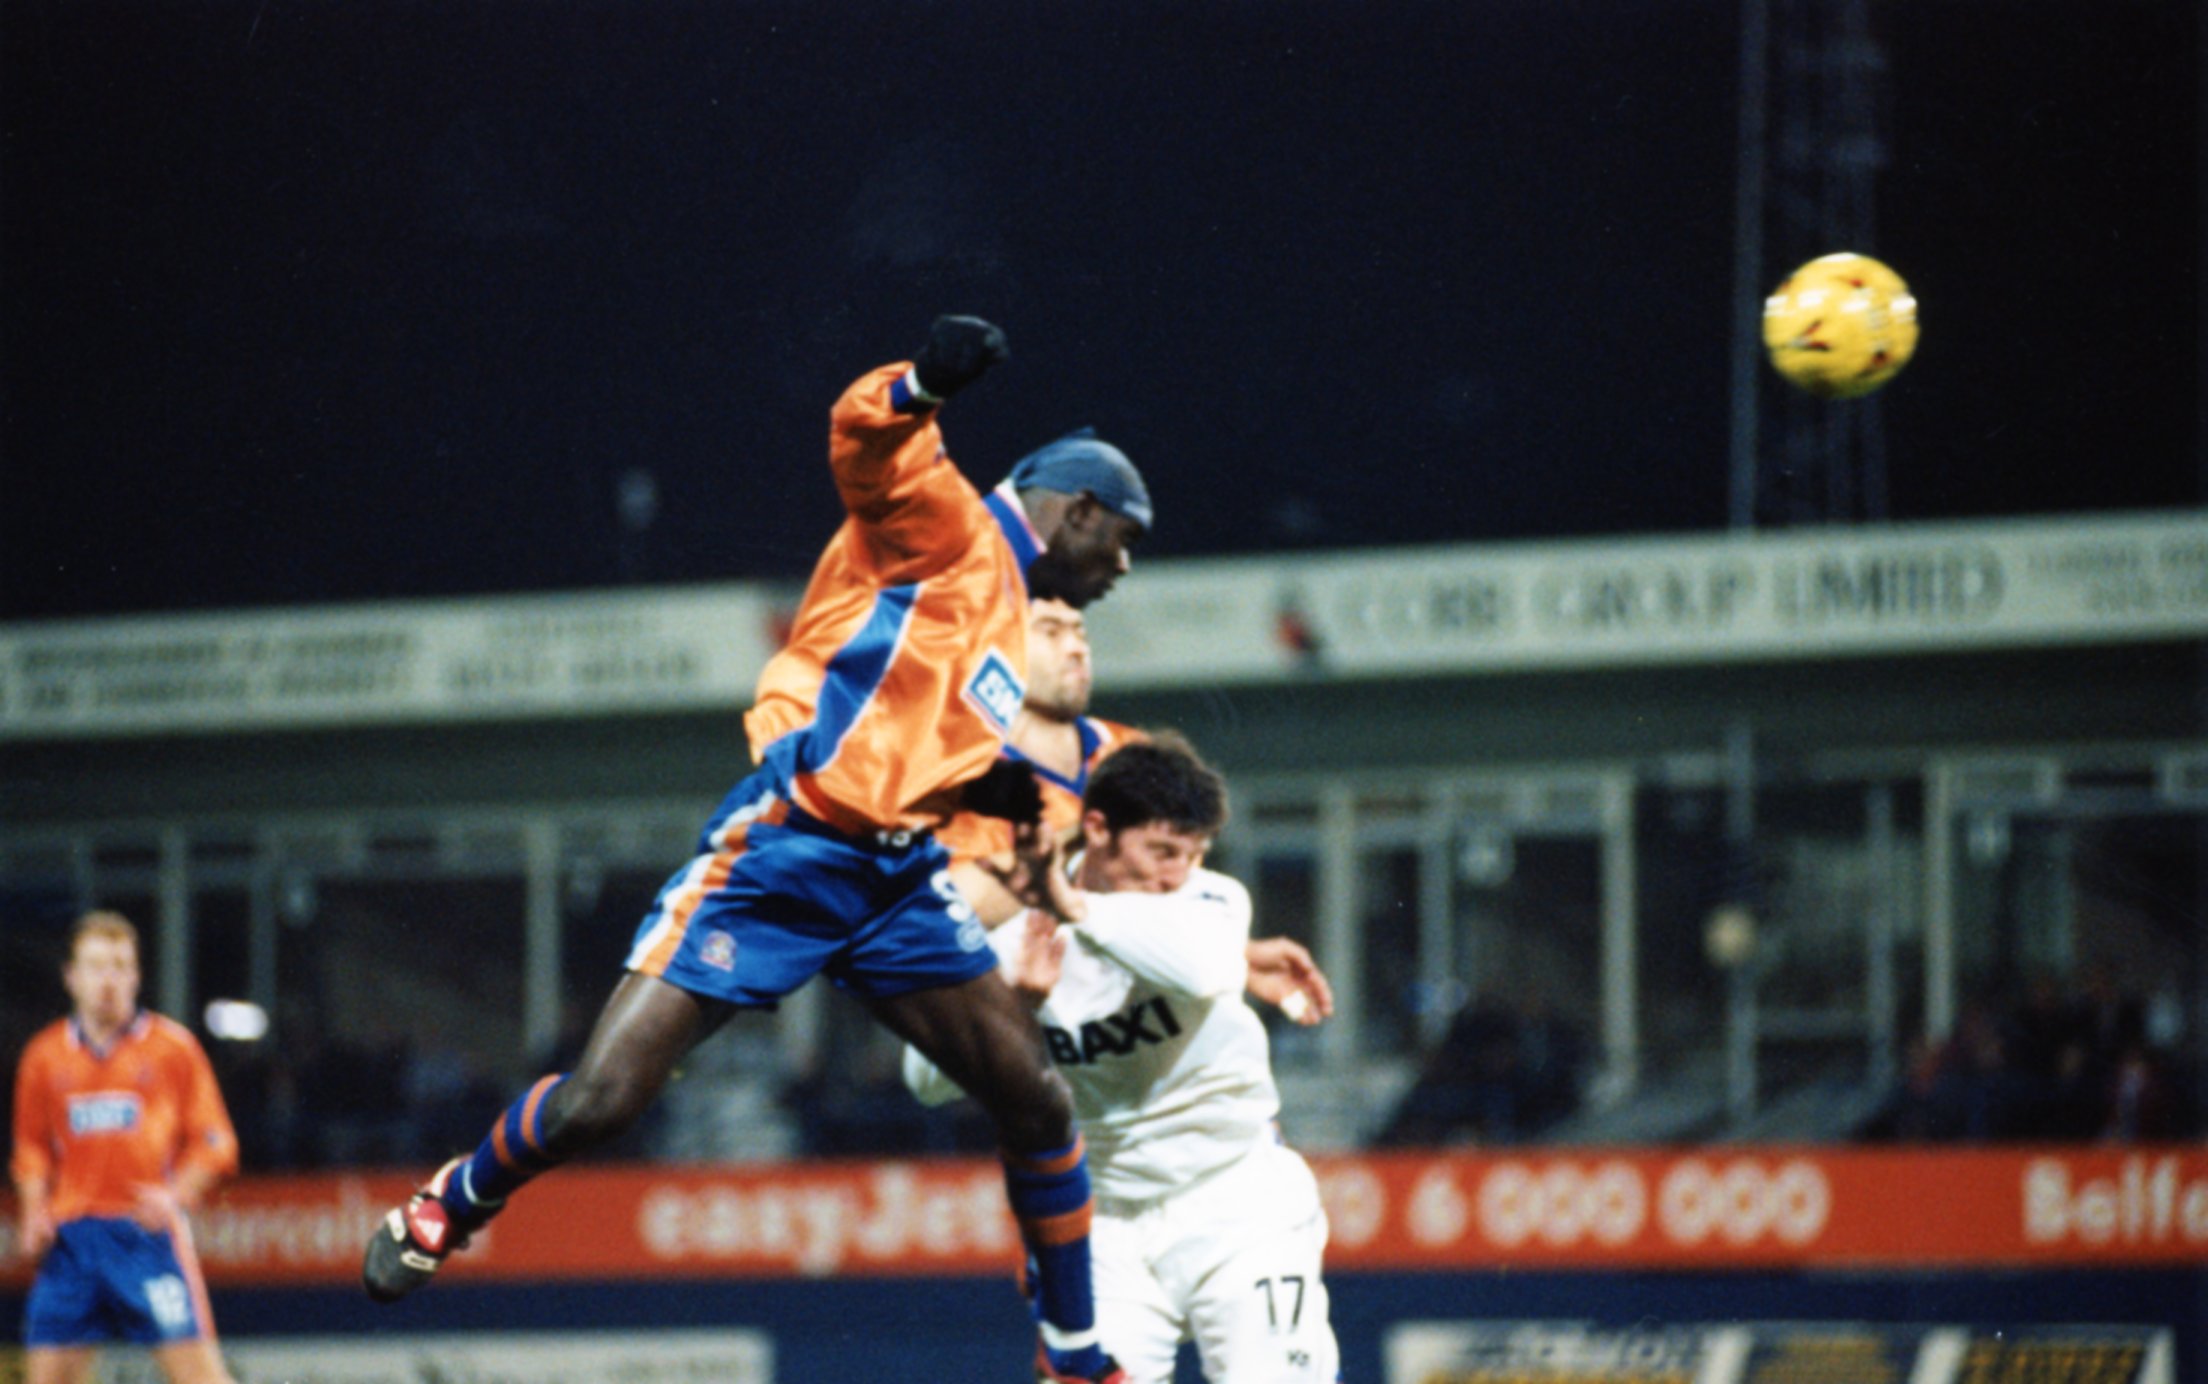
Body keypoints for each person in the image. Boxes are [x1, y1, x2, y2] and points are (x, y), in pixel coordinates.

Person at [362, 315, 1150, 1384]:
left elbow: (903, 725)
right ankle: (456, 1198)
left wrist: (983, 784)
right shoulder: (955, 523)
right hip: (787, 854)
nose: (1123, 567)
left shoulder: (1010, 606)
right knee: (602, 1101)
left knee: (1037, 1101)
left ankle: (1074, 1359)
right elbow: (864, 447)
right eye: (1124, 540)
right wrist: (920, 383)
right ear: (1081, 511)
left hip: (895, 877)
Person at [906, 739, 1342, 1384]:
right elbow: (924, 1080)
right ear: (1097, 828)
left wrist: (1073, 906)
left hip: (1238, 1202)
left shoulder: (1210, 901)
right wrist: (1013, 1012)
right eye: (1161, 851)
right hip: (1105, 1231)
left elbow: (1205, 970)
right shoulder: (1013, 942)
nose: (1176, 874)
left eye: (1194, 854)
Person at [11, 911, 240, 1384]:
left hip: (143, 1236)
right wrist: (34, 1210)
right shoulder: (44, 1056)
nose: (108, 981)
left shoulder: (172, 1049)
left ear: (136, 975)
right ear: (71, 977)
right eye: (96, 967)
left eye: (119, 966)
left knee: (201, 1378)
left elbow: (216, 1142)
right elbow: (30, 1147)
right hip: (71, 1240)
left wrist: (176, 1195)